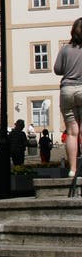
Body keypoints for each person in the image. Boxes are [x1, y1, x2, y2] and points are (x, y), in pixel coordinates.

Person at [54, 17, 82, 176]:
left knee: (72, 131)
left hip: (67, 90)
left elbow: (57, 69)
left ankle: (72, 169)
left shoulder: (65, 49)